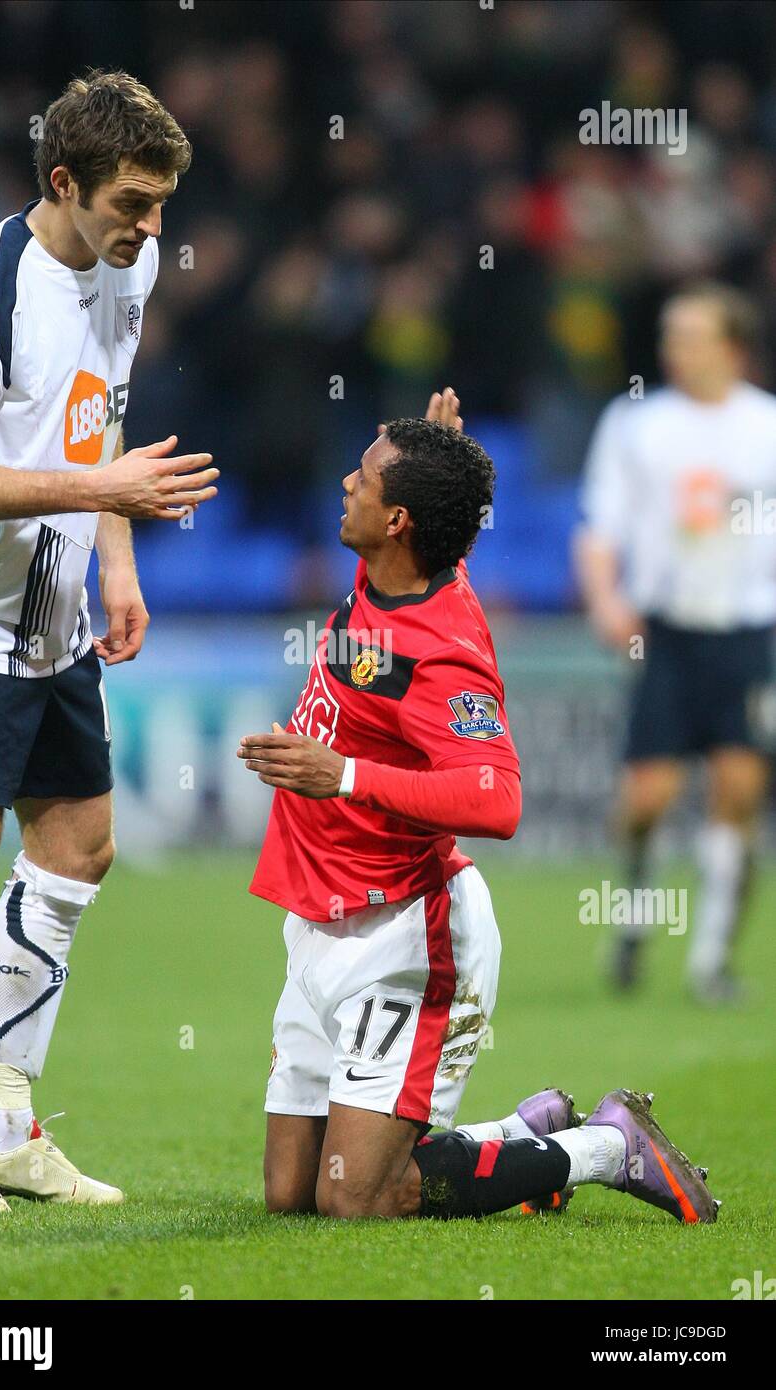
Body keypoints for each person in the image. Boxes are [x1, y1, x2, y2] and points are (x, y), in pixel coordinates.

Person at [238, 389, 716, 1224]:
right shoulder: (391, 566)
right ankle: (524, 1132)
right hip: (318, 915)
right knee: (290, 1196)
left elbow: (496, 801)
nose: (348, 482)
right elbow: (432, 524)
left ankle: (604, 1147)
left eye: (367, 476)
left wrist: (341, 774)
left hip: (402, 934)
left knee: (357, 1198)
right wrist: (437, 456)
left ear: (397, 523)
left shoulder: (441, 656)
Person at [0, 70, 218, 1212]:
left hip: (57, 612)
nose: (152, 229)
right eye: (133, 203)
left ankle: (7, 1120)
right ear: (63, 182)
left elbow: (100, 411)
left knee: (78, 847)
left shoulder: (121, 273)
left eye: (163, 204)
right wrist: (100, 488)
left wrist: (115, 556)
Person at [576, 283, 776, 1001]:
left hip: (747, 630)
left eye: (691, 334)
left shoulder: (766, 426)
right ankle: (632, 915)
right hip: (664, 629)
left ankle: (711, 962)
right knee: (646, 797)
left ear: (733, 346)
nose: (674, 349)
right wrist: (605, 599)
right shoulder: (635, 424)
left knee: (737, 789)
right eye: (669, 334)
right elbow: (597, 525)